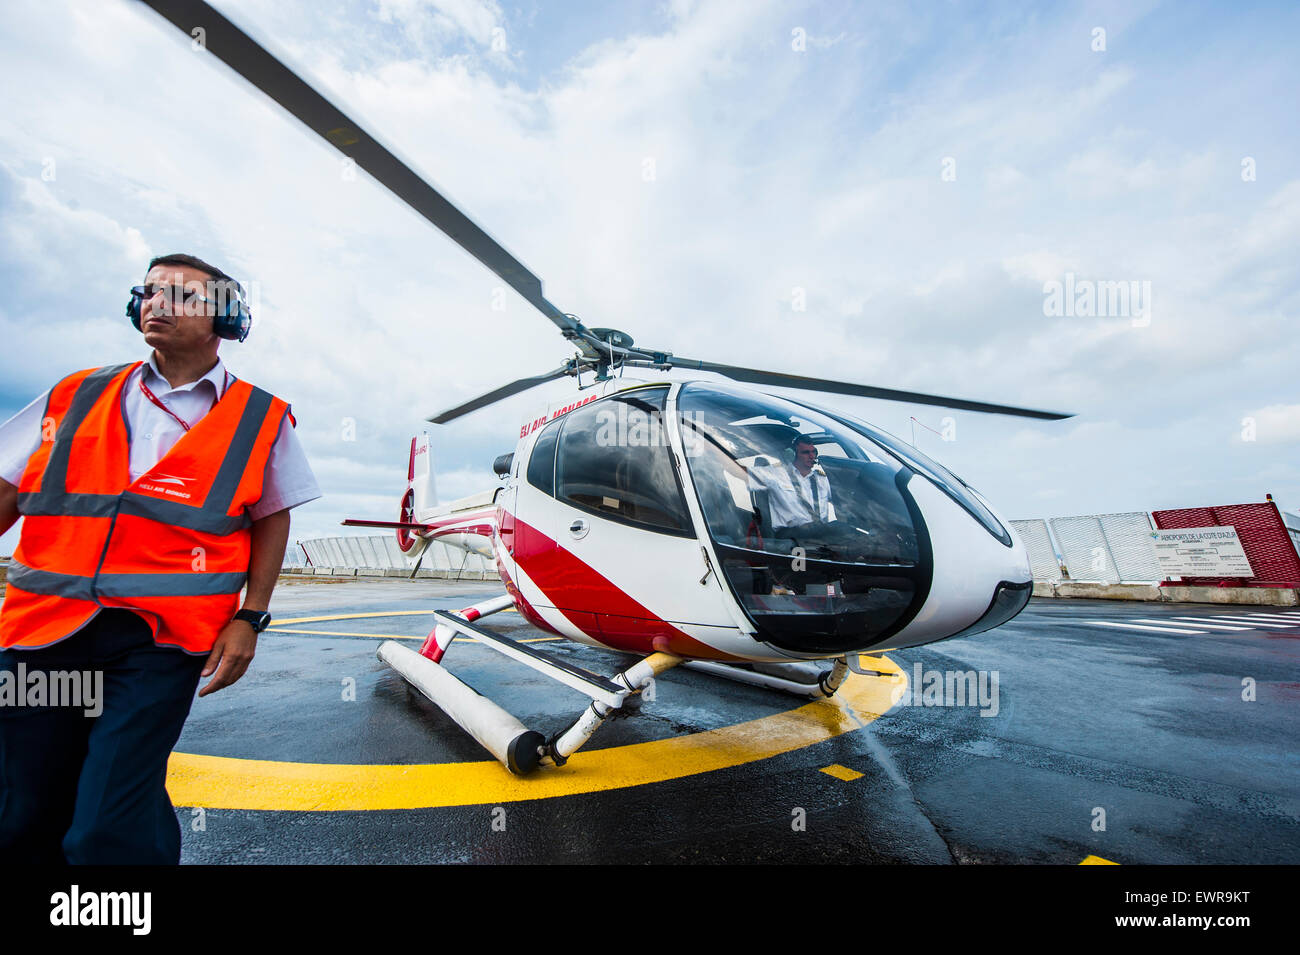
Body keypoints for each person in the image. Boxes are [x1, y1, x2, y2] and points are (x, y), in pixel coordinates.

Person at [0, 252, 320, 864]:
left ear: (226, 318)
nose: (157, 304)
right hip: (41, 634)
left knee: (104, 828)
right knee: (23, 810)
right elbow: (8, 489)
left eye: (180, 295)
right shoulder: (73, 394)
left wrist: (250, 618)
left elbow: (272, 517)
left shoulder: (261, 417)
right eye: (147, 293)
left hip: (160, 644)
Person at [748, 434, 836, 532]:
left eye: (814, 452)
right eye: (806, 452)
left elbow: (843, 503)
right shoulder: (776, 474)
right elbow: (739, 472)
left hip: (821, 534)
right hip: (792, 535)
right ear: (793, 454)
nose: (812, 456)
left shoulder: (822, 479)